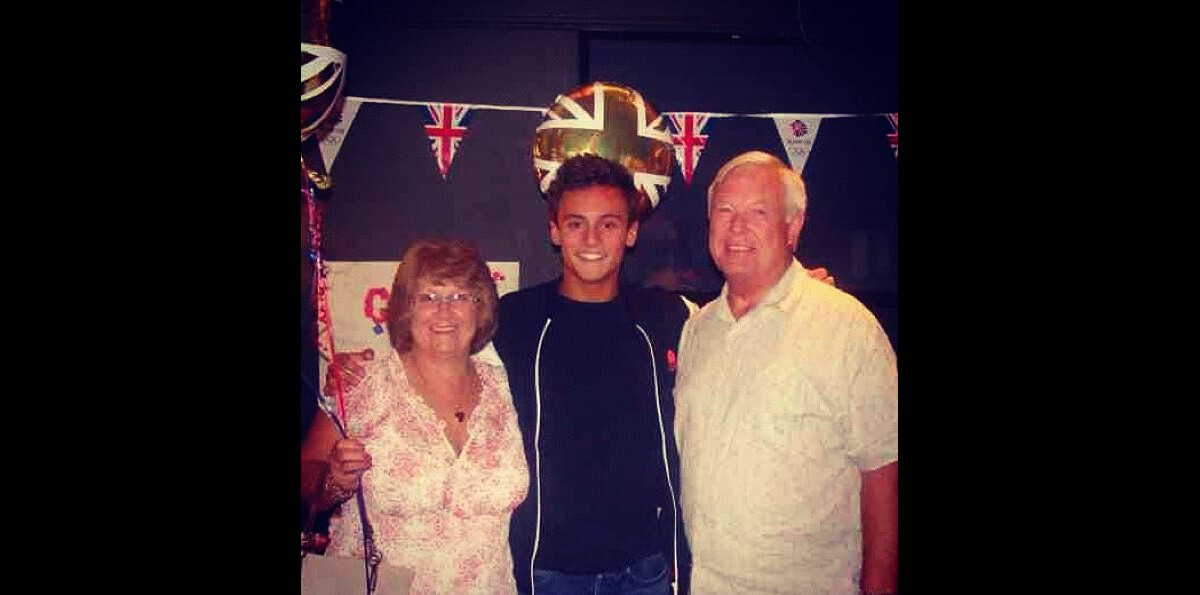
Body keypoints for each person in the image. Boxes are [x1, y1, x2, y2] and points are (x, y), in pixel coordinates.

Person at [673, 151, 898, 595]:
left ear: (792, 228)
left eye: (759, 212)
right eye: (725, 211)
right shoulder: (696, 330)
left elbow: (883, 474)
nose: (737, 228)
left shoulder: (847, 328)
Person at [494, 154, 692, 595]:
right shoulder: (514, 319)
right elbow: (436, 348)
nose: (591, 239)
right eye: (576, 223)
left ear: (631, 232)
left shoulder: (665, 315)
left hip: (645, 566)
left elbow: (736, 320)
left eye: (608, 224)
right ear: (554, 230)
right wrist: (365, 365)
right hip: (549, 570)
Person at [301, 238, 530, 594]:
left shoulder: (505, 386)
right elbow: (306, 472)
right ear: (406, 309)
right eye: (428, 297)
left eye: (459, 296)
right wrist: (332, 478)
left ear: (480, 306)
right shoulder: (361, 384)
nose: (444, 311)